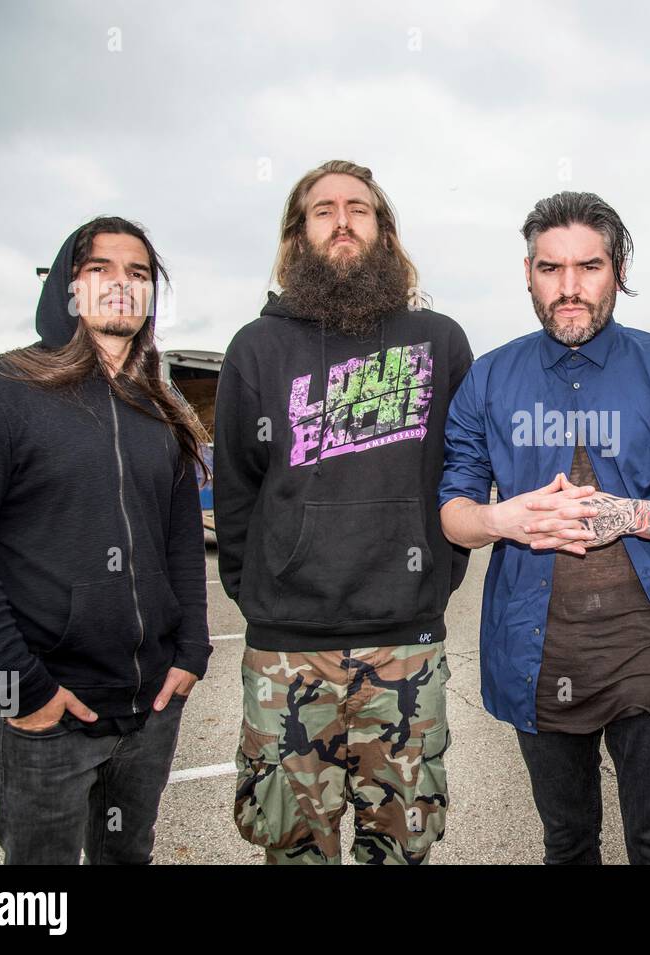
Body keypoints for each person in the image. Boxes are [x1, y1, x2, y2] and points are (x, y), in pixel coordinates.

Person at [438, 191, 650, 864]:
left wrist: (628, 515)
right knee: (568, 842)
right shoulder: (489, 379)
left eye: (589, 266)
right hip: (539, 656)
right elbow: (453, 515)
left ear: (619, 267)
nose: (569, 288)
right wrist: (501, 517)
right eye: (550, 269)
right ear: (528, 273)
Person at [0, 216, 211, 864]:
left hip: (149, 710)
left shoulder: (157, 408)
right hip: (48, 714)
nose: (121, 283)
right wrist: (22, 690)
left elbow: (179, 545)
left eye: (138, 273)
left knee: (126, 856)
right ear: (67, 288)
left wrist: (191, 651)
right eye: (100, 268)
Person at [214, 160, 472, 865]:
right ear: (297, 234)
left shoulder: (440, 341)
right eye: (322, 209)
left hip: (407, 645)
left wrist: (431, 578)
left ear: (383, 230)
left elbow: (462, 476)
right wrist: (266, 592)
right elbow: (235, 492)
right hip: (288, 652)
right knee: (294, 847)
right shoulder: (255, 348)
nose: (342, 220)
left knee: (402, 844)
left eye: (358, 208)